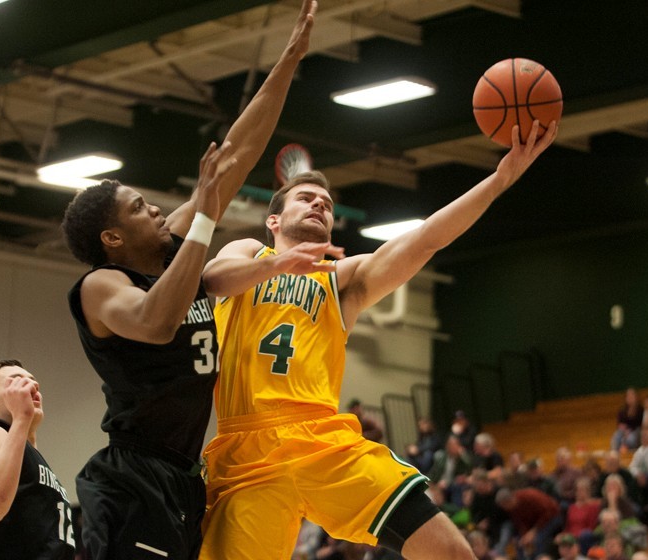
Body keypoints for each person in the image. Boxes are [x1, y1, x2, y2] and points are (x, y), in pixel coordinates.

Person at [198, 119, 557, 560]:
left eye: (326, 204)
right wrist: (279, 264)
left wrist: (501, 178)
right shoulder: (248, 253)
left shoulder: (342, 279)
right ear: (273, 219)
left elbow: (426, 239)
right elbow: (212, 279)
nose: (319, 206)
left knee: (452, 552)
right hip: (246, 452)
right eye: (306, 198)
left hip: (323, 442)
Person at [59, 2, 319, 558]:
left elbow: (238, 154)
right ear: (112, 239)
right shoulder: (100, 287)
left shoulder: (176, 247)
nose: (155, 209)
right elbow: (157, 322)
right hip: (131, 477)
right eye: (137, 207)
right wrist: (202, 219)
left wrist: (290, 59)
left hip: (183, 473)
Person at [0, 360, 74, 559]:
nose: (32, 386)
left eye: (34, 382)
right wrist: (21, 418)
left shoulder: (31, 456)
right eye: (17, 381)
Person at [495, 486, 562, 560]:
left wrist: (534, 531)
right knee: (520, 542)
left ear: (509, 501)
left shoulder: (530, 496)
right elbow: (520, 523)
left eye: (505, 506)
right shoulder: (512, 509)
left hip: (552, 518)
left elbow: (549, 512)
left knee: (538, 540)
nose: (505, 509)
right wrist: (524, 535)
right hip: (534, 525)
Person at [610, 388, 644, 452]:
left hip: (636, 432)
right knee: (616, 436)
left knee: (631, 438)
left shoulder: (641, 410)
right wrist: (625, 431)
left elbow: (641, 425)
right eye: (628, 396)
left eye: (632, 396)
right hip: (624, 431)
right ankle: (614, 453)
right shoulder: (622, 410)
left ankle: (625, 451)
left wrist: (629, 431)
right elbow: (619, 424)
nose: (630, 398)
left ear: (636, 397)